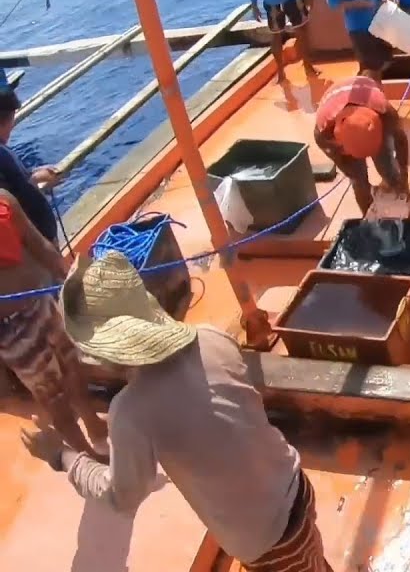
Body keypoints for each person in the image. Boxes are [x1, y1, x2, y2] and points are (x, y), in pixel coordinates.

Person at [21, 252, 332, 572]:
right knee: (310, 558)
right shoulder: (213, 338)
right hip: (295, 487)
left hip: (267, 542)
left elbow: (120, 498)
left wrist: (62, 457)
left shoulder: (130, 412)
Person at [0, 189, 106, 458]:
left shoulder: (5, 199)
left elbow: (41, 246)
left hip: (42, 302)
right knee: (53, 398)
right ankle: (87, 456)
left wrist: (71, 275)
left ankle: (94, 424)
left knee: (74, 367)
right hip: (12, 331)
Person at [314, 76, 410, 216]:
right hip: (335, 113)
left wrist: (404, 178)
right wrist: (355, 177)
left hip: (365, 94)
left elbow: (400, 140)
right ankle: (367, 218)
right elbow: (339, 159)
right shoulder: (324, 132)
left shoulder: (386, 113)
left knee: (387, 167)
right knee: (358, 180)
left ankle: (400, 195)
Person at [0, 89, 59, 244]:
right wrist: (50, 239)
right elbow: (27, 197)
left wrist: (33, 174)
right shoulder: (3, 154)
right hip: (28, 241)